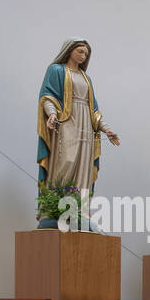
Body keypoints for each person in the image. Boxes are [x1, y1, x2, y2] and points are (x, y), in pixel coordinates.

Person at [36, 39, 120, 228]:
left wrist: (106, 129)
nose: (83, 56)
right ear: (69, 50)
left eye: (86, 53)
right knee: (65, 161)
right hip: (66, 122)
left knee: (84, 167)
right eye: (80, 51)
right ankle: (54, 209)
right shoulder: (56, 70)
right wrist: (51, 114)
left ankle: (79, 211)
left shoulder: (86, 78)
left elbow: (94, 110)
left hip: (86, 126)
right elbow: (47, 96)